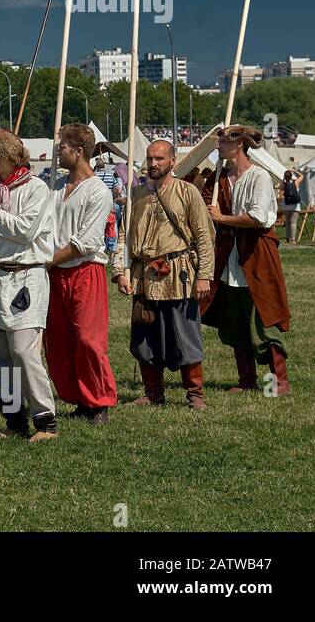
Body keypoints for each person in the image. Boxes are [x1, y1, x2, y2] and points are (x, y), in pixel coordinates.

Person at [0, 127, 58, 441]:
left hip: (26, 277)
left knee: (23, 350)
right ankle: (14, 421)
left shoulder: (36, 189)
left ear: (6, 156)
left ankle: (45, 420)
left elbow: (25, 230)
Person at [111, 139, 214, 409]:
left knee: (185, 336)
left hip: (178, 275)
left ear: (172, 161)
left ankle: (195, 394)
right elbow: (124, 234)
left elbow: (204, 236)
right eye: (150, 158)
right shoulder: (137, 195)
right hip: (144, 277)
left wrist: (204, 275)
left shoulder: (187, 192)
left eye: (159, 159)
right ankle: (153, 393)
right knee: (145, 338)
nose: (153, 164)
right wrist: (120, 270)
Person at [202, 125, 292, 396]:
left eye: (222, 142)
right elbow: (202, 204)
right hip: (228, 257)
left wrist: (221, 218)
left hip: (256, 254)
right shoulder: (219, 177)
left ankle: (277, 383)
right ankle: (246, 379)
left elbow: (257, 218)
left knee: (263, 320)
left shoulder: (259, 177)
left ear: (239, 144)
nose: (218, 146)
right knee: (234, 322)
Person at [45, 124, 118, 424]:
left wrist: (47, 261)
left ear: (77, 152)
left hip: (85, 271)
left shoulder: (98, 191)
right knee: (60, 340)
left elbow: (85, 242)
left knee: (89, 340)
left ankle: (99, 401)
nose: (57, 151)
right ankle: (77, 397)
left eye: (61, 147)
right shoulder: (57, 188)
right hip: (54, 272)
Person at [281, 169, 301, 243]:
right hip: (295, 205)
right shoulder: (296, 182)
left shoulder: (283, 183)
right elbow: (302, 176)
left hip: (286, 204)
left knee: (288, 222)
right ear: (291, 176)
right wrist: (294, 170)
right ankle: (293, 239)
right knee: (293, 222)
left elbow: (281, 190)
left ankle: (288, 238)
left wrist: (284, 179)